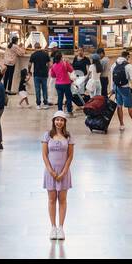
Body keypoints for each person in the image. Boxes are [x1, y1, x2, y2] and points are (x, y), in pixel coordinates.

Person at [41, 111, 74, 240]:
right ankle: (53, 227)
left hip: (64, 172)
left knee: (63, 199)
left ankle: (61, 227)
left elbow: (70, 155)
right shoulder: (47, 136)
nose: (59, 122)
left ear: (65, 122)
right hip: (51, 172)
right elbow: (44, 155)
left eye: (61, 120)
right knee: (51, 199)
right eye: (57, 120)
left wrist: (64, 171)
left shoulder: (68, 137)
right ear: (53, 121)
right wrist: (51, 171)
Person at [111, 50, 132, 130]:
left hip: (116, 87)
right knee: (130, 106)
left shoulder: (114, 64)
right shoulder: (128, 66)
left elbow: (112, 77)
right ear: (127, 56)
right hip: (125, 88)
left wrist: (113, 88)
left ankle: (121, 125)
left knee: (119, 105)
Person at [49, 51, 74, 115]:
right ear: (61, 57)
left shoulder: (53, 66)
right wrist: (68, 63)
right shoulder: (65, 63)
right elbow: (71, 70)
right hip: (66, 84)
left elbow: (52, 75)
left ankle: (60, 111)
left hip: (58, 84)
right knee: (68, 98)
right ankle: (69, 111)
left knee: (60, 98)